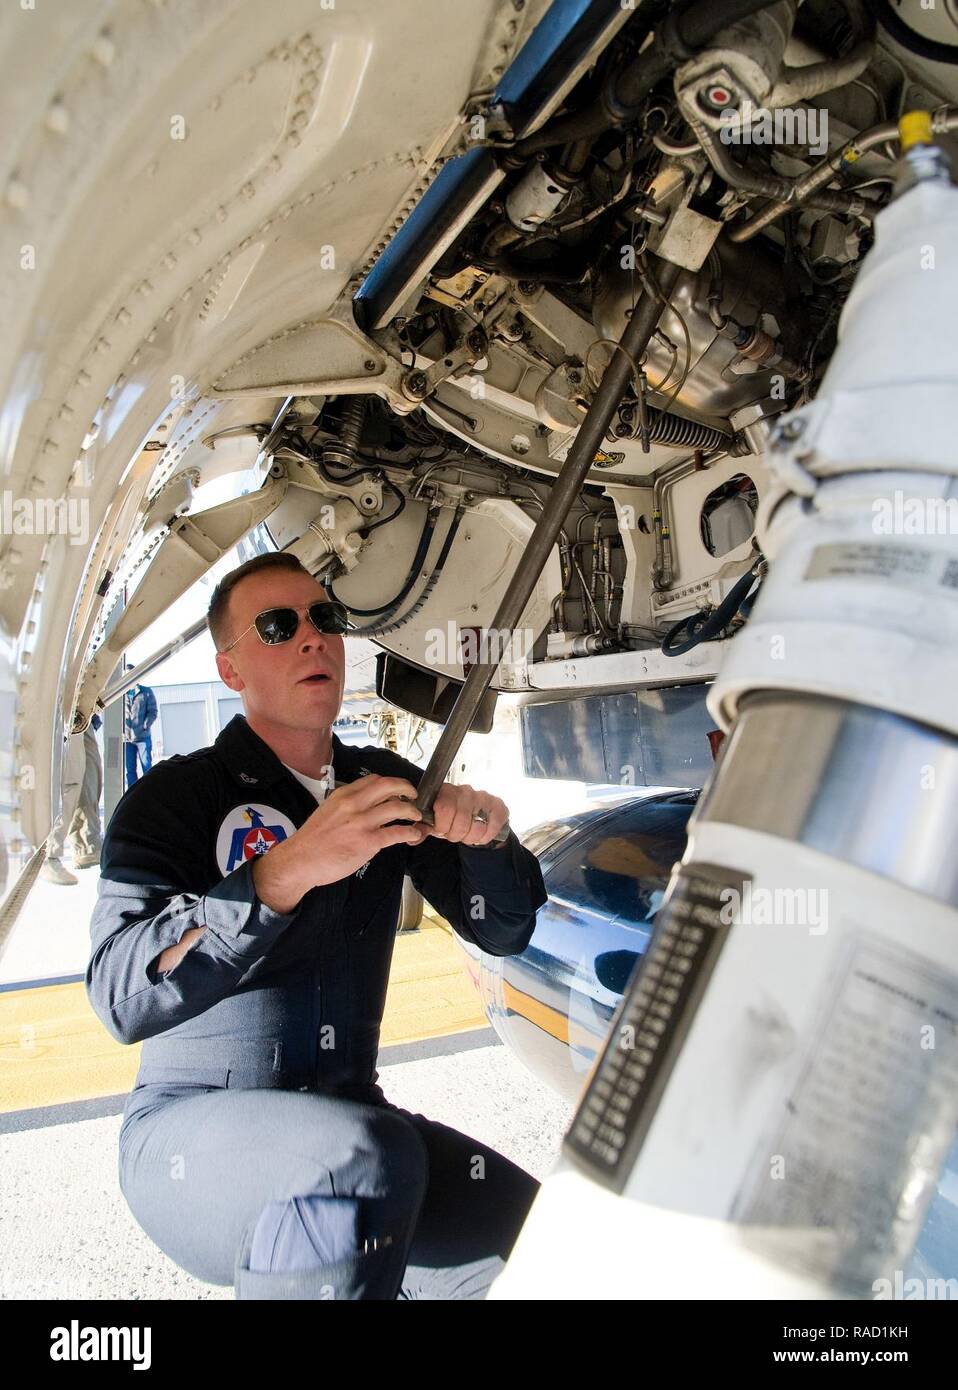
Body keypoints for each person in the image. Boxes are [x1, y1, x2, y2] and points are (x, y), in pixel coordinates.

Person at [85, 552, 549, 1299]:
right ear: (231, 672)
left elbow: (501, 931)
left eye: (324, 619)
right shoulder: (172, 798)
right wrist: (284, 872)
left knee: (541, 1244)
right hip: (191, 1135)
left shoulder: (383, 786)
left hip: (356, 1129)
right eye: (277, 626)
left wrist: (490, 841)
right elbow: (119, 995)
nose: (312, 638)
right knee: (359, 1157)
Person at [123, 670, 157, 786]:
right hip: (126, 739)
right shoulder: (121, 694)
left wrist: (145, 726)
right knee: (130, 770)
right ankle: (133, 795)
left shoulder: (146, 692)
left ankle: (150, 791)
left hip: (142, 737)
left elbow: (153, 712)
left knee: (147, 767)